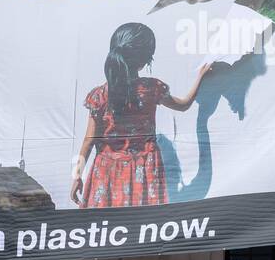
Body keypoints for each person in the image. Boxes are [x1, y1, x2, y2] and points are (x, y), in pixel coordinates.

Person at [70, 22, 212, 208]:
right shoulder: (151, 89)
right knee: (143, 225)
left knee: (106, 227)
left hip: (106, 170)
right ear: (144, 60)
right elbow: (184, 105)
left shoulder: (99, 96)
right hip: (144, 168)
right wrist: (200, 77)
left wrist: (77, 176)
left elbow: (88, 141)